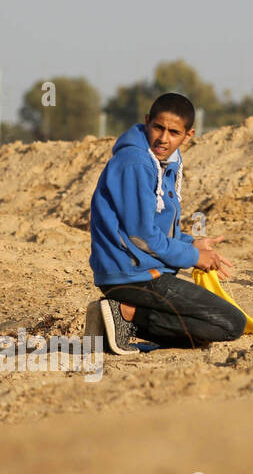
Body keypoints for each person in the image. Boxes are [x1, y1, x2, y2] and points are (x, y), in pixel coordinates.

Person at [87, 93, 243, 355]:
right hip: (132, 277)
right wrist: (194, 256)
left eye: (173, 132)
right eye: (158, 127)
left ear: (188, 134)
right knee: (230, 324)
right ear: (147, 121)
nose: (163, 138)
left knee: (199, 336)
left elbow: (154, 228)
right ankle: (126, 314)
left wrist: (190, 242)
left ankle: (114, 322)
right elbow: (141, 236)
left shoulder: (162, 161)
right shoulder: (136, 162)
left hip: (141, 272)